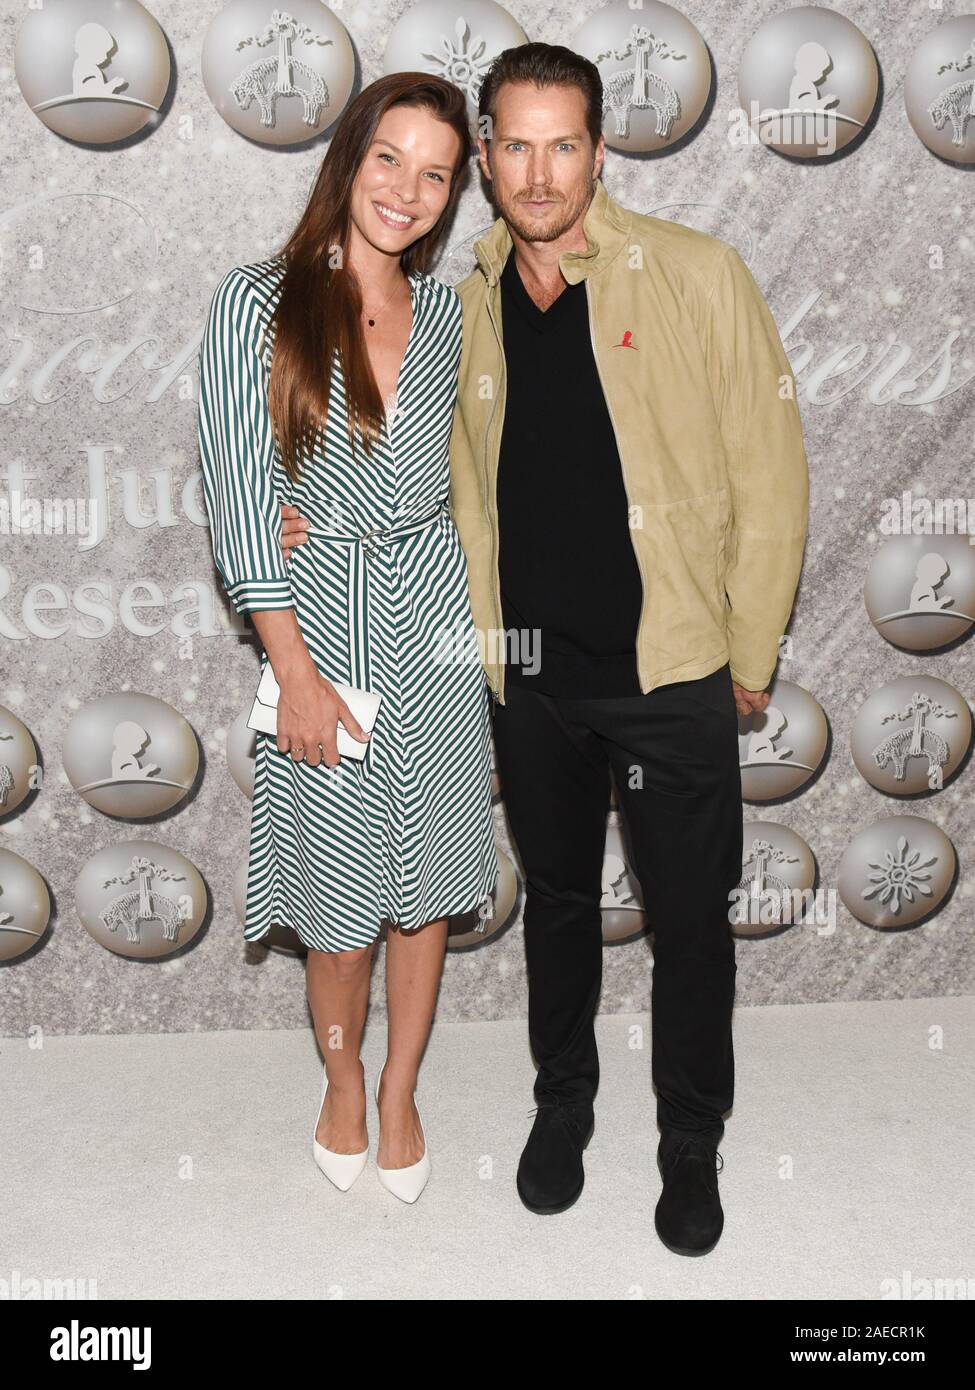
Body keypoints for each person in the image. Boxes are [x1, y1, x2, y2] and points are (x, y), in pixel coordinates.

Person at [282, 44, 809, 1254]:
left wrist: (750, 651)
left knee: (686, 921)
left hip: (674, 667)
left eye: (561, 143)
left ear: (599, 150)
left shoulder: (694, 274)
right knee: (561, 908)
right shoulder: (457, 298)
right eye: (511, 145)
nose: (537, 171)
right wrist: (312, 505)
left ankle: (691, 1144)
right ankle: (561, 1108)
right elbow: (414, 461)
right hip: (525, 676)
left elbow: (773, 476)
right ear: (485, 164)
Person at [196, 73, 498, 1205]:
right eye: (389, 160)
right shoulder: (257, 300)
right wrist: (296, 672)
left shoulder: (458, 312)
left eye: (435, 174)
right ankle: (340, 1082)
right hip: (314, 618)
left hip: (433, 615)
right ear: (347, 158)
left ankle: (403, 1091)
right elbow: (237, 497)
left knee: (423, 885)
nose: (407, 191)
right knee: (337, 897)